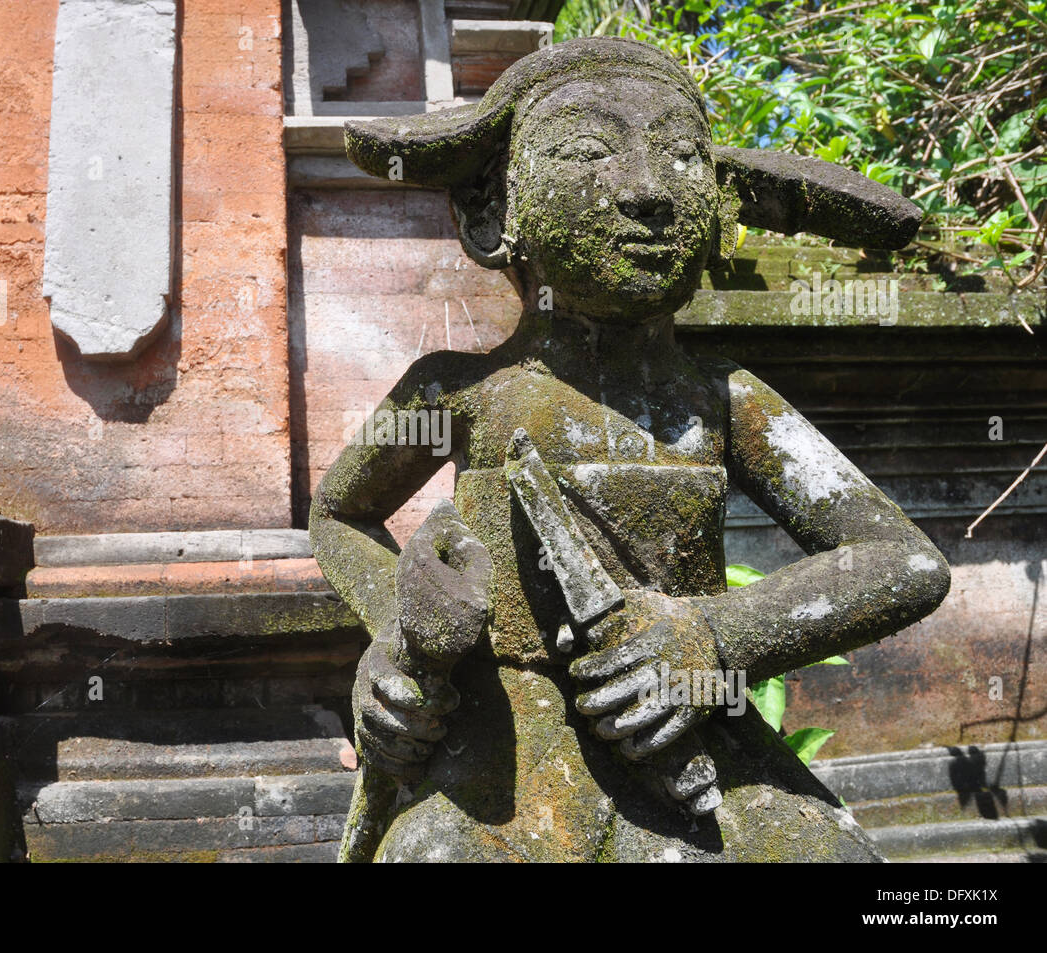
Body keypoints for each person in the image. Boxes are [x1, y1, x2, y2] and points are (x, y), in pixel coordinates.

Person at [309, 37, 949, 862]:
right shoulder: (458, 392)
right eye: (586, 152)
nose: (646, 190)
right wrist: (399, 638)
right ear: (492, 211)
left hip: (690, 734)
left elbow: (903, 560)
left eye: (683, 156)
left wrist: (714, 637)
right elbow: (338, 512)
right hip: (503, 758)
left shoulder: (724, 399)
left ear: (720, 211)